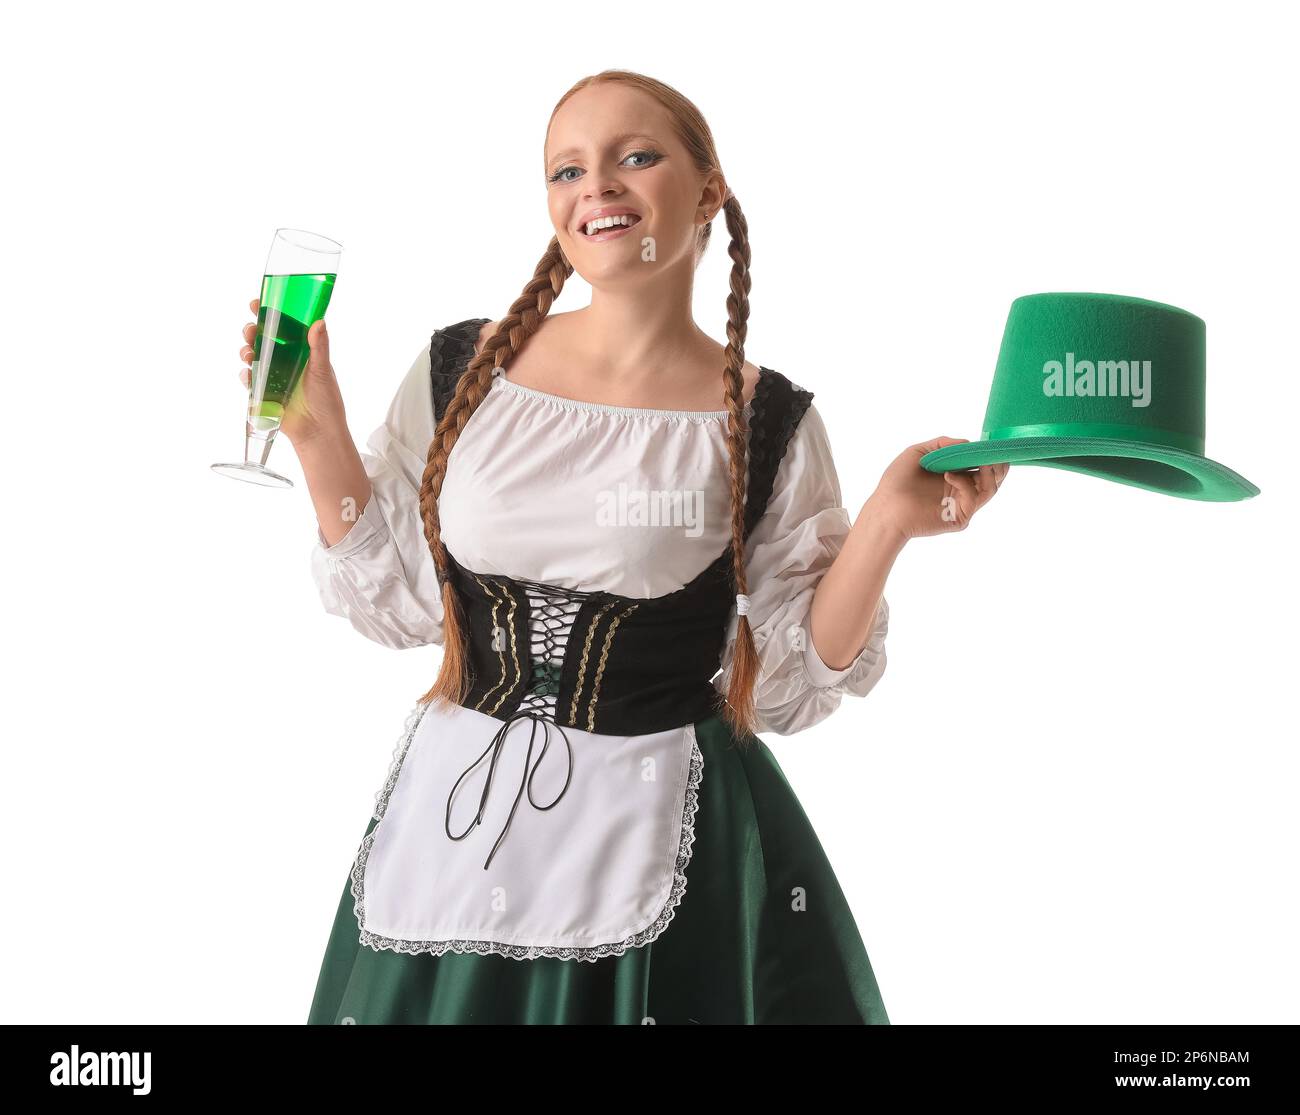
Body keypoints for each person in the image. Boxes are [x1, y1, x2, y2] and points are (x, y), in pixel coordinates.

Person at [238, 69, 1007, 1025]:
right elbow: (398, 597)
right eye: (566, 169)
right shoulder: (461, 370)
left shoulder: (766, 421)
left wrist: (889, 523)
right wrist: (315, 433)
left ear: (708, 190)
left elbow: (783, 676)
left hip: (664, 818)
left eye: (635, 157)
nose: (595, 188)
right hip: (455, 823)